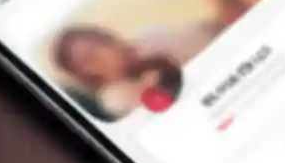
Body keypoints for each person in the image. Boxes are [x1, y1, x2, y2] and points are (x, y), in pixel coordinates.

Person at [51, 26, 187, 118]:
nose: (104, 52)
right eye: (90, 58)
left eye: (99, 43)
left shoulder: (149, 38)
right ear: (85, 75)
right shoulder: (112, 98)